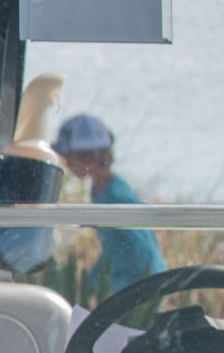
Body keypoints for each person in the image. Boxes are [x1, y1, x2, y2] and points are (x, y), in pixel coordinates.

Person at [56, 112, 167, 300]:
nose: (66, 162)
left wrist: (108, 288)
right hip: (124, 287)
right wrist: (91, 283)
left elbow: (144, 253)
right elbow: (114, 249)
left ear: (92, 155)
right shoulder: (100, 190)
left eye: (69, 155)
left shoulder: (115, 195)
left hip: (141, 291)